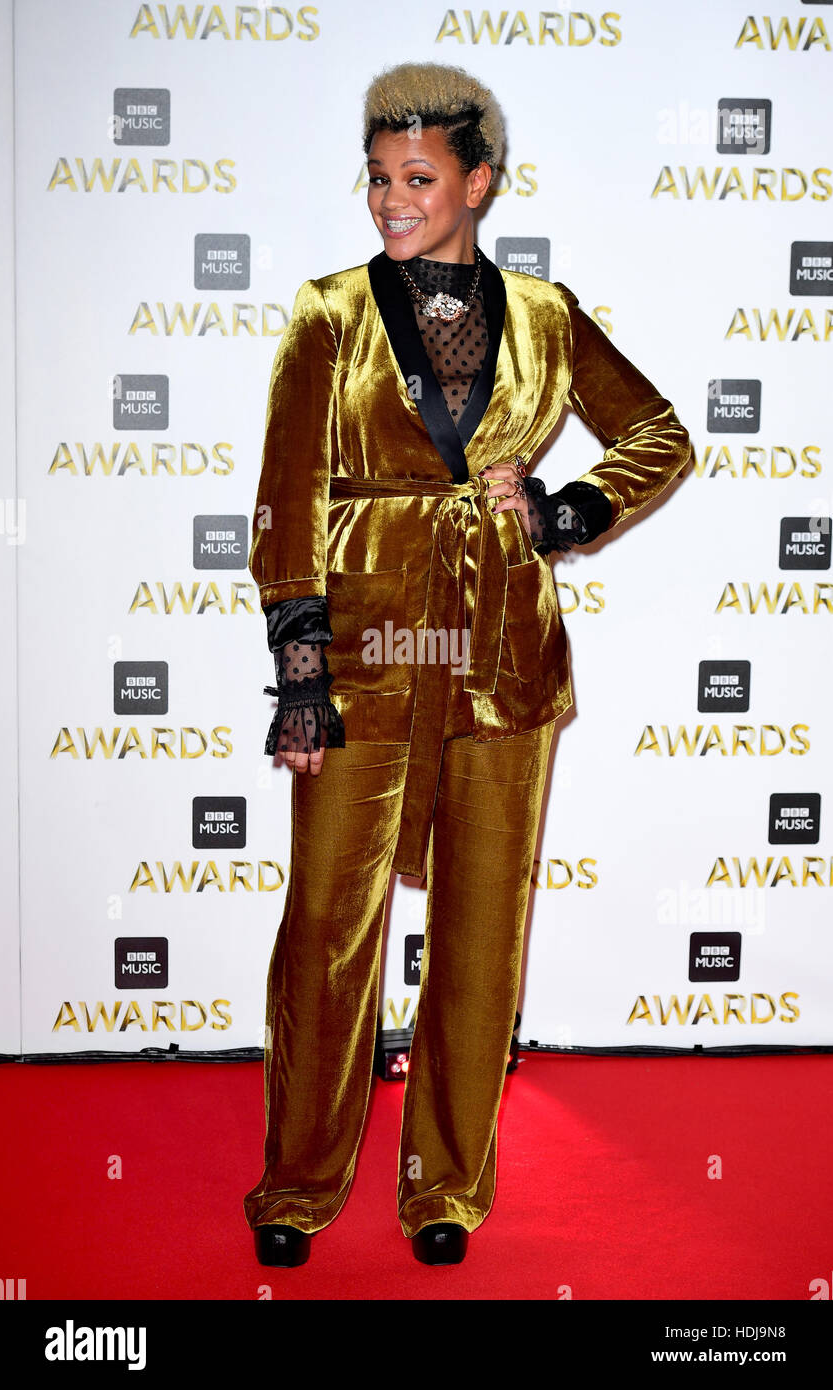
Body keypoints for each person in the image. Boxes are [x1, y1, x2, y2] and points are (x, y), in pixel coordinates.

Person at [243, 61, 692, 1268]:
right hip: (371, 648)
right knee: (330, 925)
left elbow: (659, 434)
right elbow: (289, 495)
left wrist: (564, 510)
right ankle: (297, 1180)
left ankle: (445, 1183)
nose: (392, 199)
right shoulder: (328, 311)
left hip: (504, 651)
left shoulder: (544, 315)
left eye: (419, 177)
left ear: (477, 181)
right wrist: (302, 662)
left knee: (483, 933)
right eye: (380, 177)